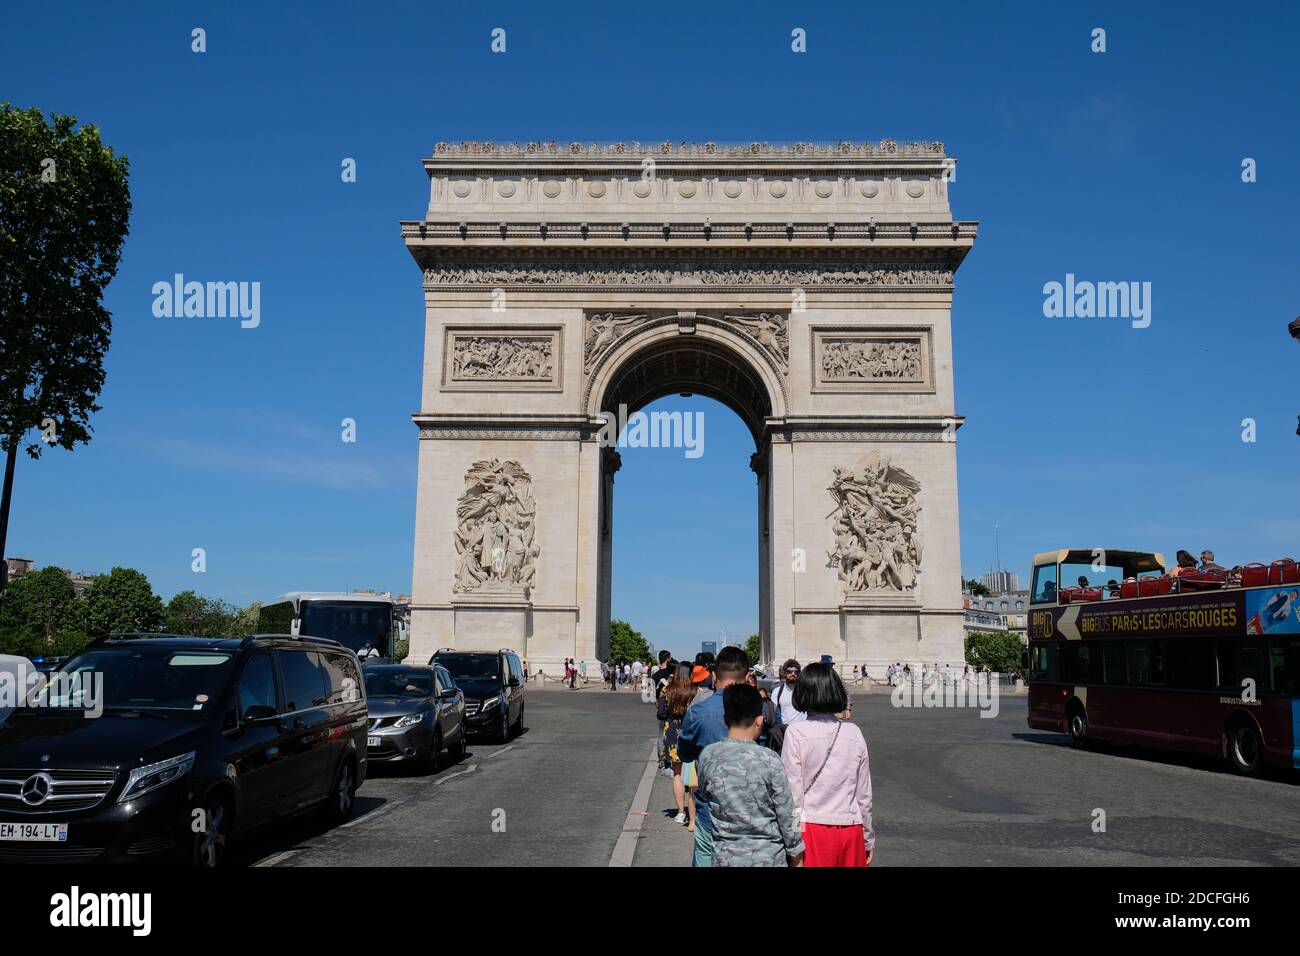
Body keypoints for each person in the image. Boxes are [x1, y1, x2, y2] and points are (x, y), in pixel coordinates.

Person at [695, 684, 805, 868]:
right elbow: (786, 814)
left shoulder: (708, 755)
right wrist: (795, 851)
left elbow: (706, 795)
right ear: (760, 720)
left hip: (725, 856)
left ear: (725, 719)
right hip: (768, 857)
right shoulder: (770, 759)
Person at [781, 663, 875, 867]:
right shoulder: (854, 733)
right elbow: (864, 795)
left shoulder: (795, 733)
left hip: (811, 829)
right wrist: (867, 838)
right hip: (851, 828)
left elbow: (793, 795)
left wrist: (791, 842)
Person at [677, 645, 751, 867]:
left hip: (709, 804)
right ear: (747, 676)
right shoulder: (757, 710)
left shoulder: (698, 710)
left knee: (706, 856)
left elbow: (685, 754)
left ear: (714, 675)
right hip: (749, 806)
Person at [657, 662, 697, 826]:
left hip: (672, 731)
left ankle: (681, 812)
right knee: (693, 775)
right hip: (691, 731)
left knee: (678, 774)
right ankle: (693, 813)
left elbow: (661, 714)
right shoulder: (694, 691)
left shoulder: (667, 690)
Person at [772, 659, 805, 726]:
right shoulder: (777, 691)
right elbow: (774, 713)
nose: (793, 674)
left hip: (802, 731)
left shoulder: (805, 691)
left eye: (796, 672)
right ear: (785, 673)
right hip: (785, 731)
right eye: (789, 671)